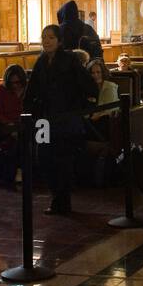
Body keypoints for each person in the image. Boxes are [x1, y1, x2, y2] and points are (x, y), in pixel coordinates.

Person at [26, 24, 96, 215]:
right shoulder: (40, 62)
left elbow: (87, 85)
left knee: (63, 159)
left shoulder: (70, 60)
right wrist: (26, 113)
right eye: (44, 38)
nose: (46, 41)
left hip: (65, 118)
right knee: (42, 156)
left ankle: (62, 200)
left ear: (59, 41)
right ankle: (57, 194)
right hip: (44, 119)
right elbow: (31, 90)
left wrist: (84, 106)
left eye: (50, 38)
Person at [0, 64, 27, 187]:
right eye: (12, 83)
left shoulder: (28, 89)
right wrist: (9, 124)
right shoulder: (2, 89)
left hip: (23, 123)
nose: (15, 85)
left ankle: (19, 171)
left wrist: (18, 125)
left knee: (22, 137)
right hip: (6, 123)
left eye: (18, 82)